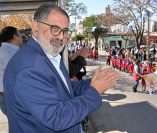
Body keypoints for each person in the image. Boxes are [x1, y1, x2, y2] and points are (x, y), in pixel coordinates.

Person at [3, 3, 118, 133]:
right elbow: (57, 118)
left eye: (65, 31)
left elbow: (65, 88)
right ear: (35, 27)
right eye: (55, 29)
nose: (62, 37)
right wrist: (94, 91)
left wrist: (92, 83)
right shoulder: (29, 67)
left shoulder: (48, 55)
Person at [0, 26, 23, 115]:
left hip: (3, 97)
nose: (21, 38)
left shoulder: (2, 50)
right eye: (20, 35)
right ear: (14, 36)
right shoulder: (15, 53)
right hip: (13, 98)